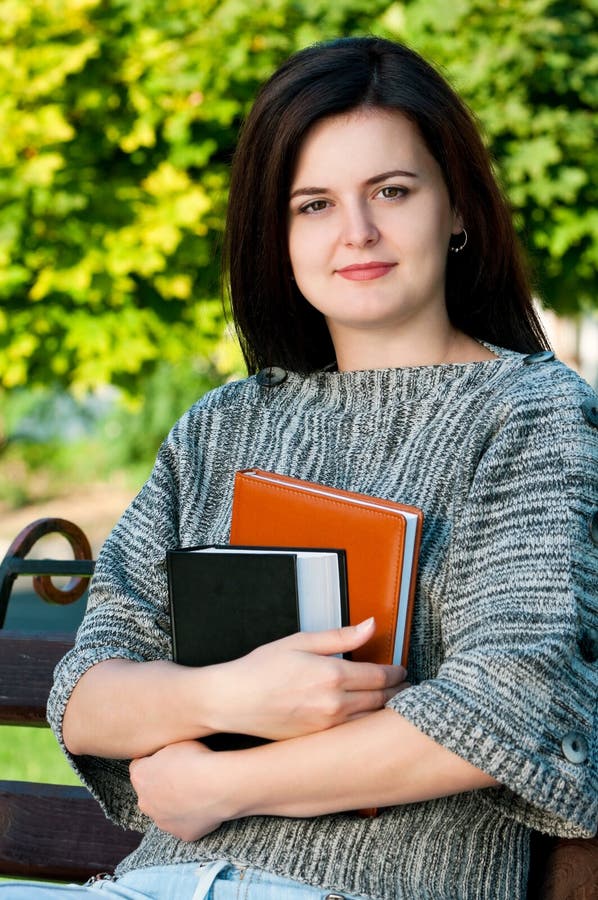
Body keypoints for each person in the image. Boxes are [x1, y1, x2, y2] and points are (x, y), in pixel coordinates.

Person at [4, 35, 596, 900]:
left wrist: (220, 783)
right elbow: (88, 691)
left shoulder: (534, 416)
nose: (356, 232)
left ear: (458, 207)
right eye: (312, 204)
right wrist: (236, 697)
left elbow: (508, 709)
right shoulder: (222, 427)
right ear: (276, 234)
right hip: (153, 886)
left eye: (391, 191)